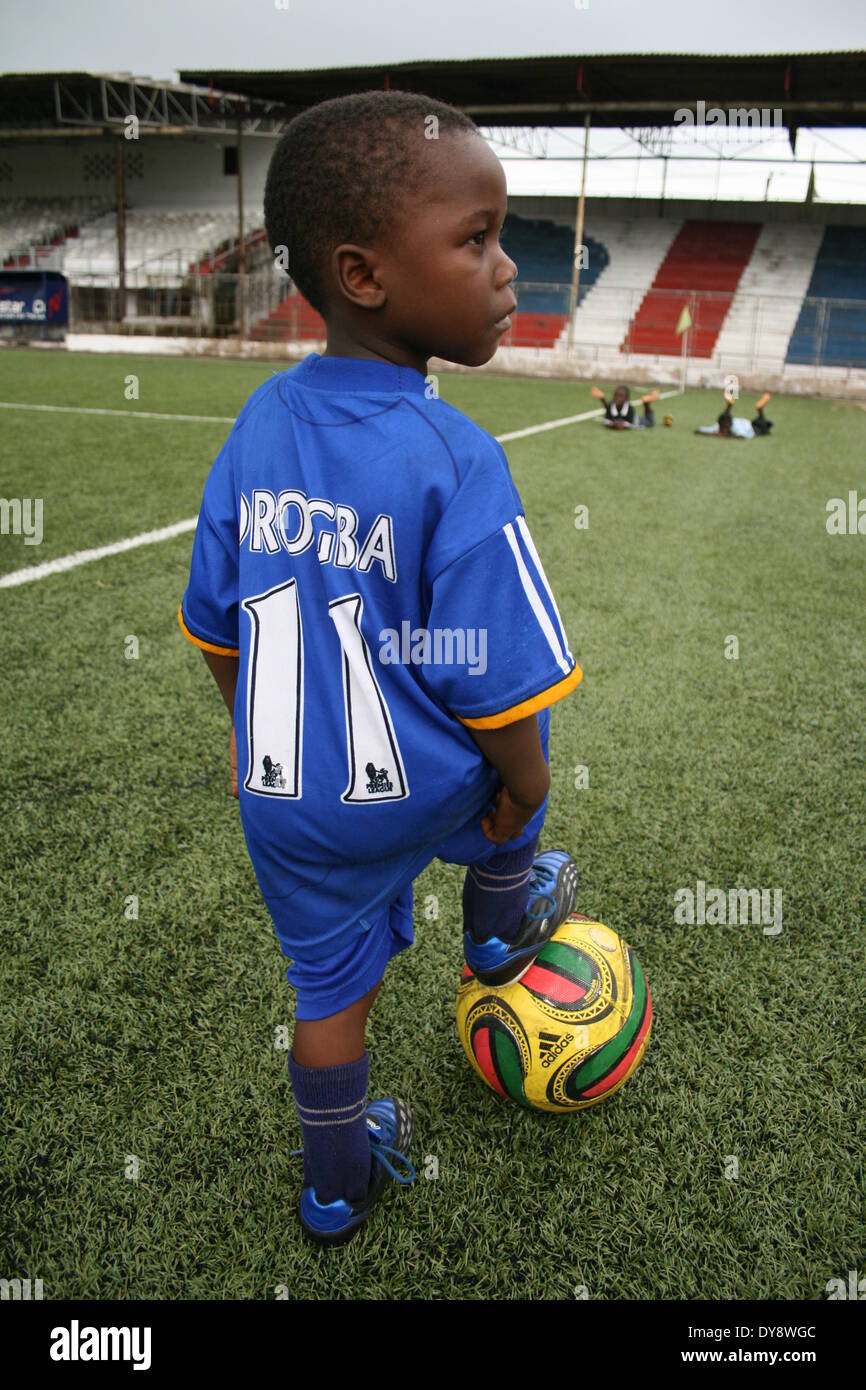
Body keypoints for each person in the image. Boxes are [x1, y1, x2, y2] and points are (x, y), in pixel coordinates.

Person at [178, 91, 582, 1246]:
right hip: (417, 790)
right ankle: (499, 927)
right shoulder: (456, 456)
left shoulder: (255, 425)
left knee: (328, 996)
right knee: (513, 773)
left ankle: (336, 1181)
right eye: (476, 238)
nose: (507, 268)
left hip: (288, 803)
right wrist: (524, 788)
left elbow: (216, 627)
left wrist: (260, 727)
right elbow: (501, 687)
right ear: (363, 275)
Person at [695, 391, 773, 439]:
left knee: (764, 427)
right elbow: (699, 430)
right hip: (748, 423)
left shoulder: (736, 429)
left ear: (730, 426)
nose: (723, 431)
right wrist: (713, 434)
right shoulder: (718, 427)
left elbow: (742, 437)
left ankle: (759, 408)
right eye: (722, 429)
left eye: (724, 430)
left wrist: (725, 436)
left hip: (753, 427)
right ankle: (730, 405)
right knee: (725, 417)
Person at [591, 384, 659, 429]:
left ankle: (646, 404)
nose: (618, 398)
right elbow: (606, 421)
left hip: (637, 421)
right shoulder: (611, 406)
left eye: (621, 396)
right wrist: (614, 425)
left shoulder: (630, 408)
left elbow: (630, 423)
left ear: (627, 399)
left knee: (650, 423)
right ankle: (602, 397)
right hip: (621, 420)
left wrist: (622, 425)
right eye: (616, 396)